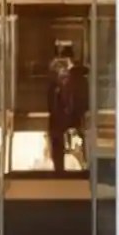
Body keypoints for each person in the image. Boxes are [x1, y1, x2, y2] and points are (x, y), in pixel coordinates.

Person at [46, 45, 84, 173]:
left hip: (69, 117)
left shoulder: (75, 79)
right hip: (61, 118)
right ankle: (60, 169)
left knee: (63, 142)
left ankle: (64, 169)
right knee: (58, 142)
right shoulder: (55, 83)